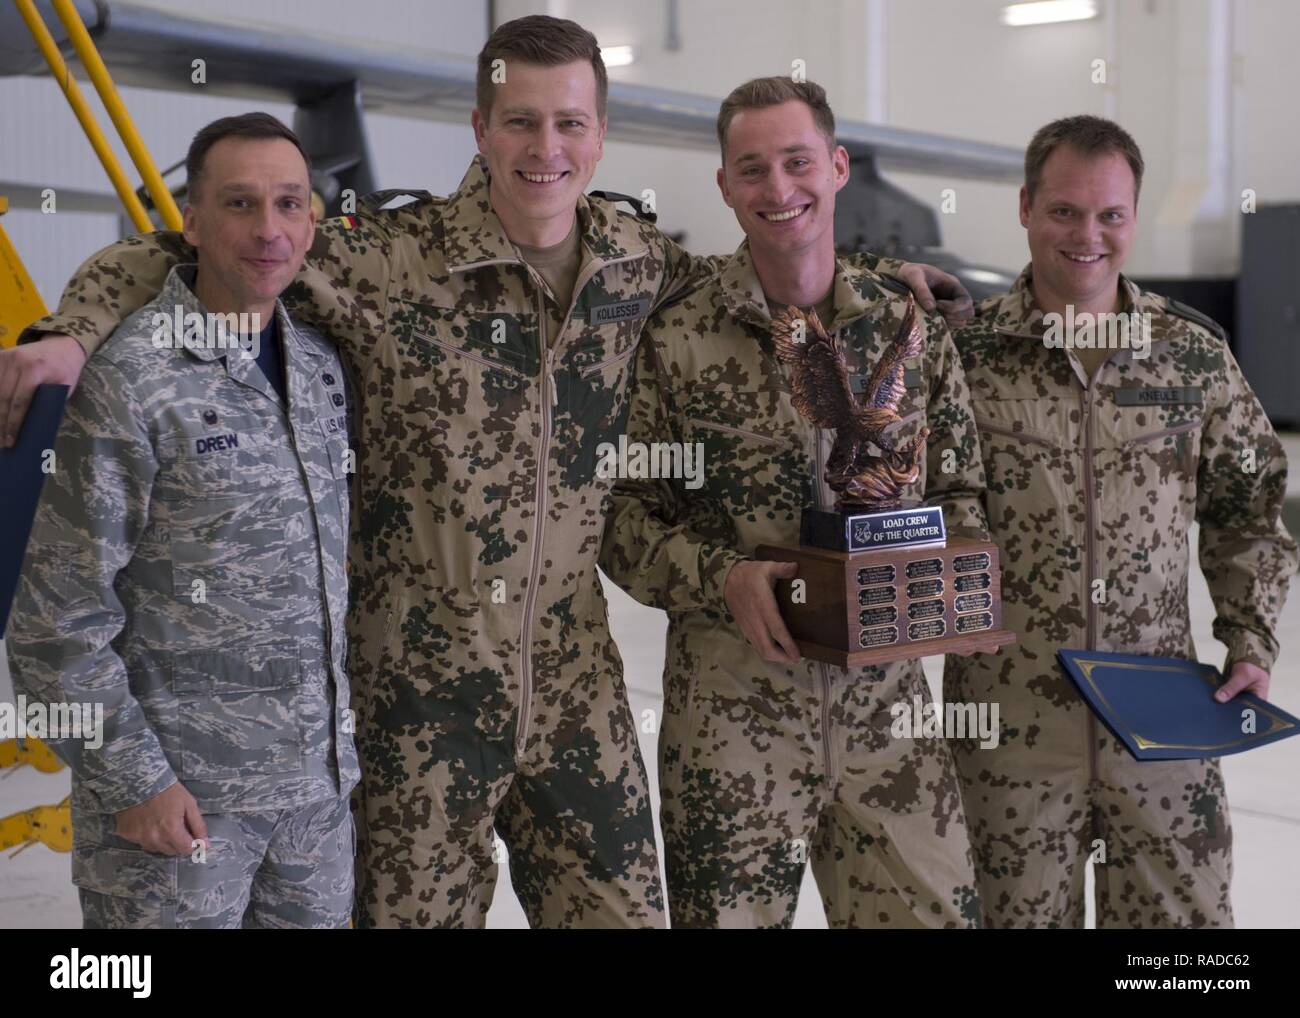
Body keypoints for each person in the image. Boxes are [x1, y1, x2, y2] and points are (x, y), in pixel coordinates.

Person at [0, 16, 969, 928]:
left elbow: (768, 260)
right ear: (480, 128)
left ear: (598, 136)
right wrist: (67, 334)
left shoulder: (639, 264)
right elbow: (187, 246)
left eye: (568, 123)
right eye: (519, 122)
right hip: (417, 695)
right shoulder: (387, 261)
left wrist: (886, 285)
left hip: (573, 685)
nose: (543, 147)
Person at [601, 77, 989, 928]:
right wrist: (720, 576)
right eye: (753, 169)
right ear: (725, 185)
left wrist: (940, 575)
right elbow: (622, 516)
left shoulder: (907, 328)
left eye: (797, 162)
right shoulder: (675, 336)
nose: (778, 190)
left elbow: (963, 493)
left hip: (889, 722)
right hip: (734, 720)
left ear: (838, 166)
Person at [945, 114, 1297, 928]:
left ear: (1134, 218)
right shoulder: (964, 359)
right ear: (1027, 207)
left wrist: (1250, 639)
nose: (1088, 236)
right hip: (1008, 735)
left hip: (1163, 727)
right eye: (1065, 211)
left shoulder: (1192, 356)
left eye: (1111, 215)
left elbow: (1247, 511)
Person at [6, 113, 358, 928]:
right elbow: (55, 622)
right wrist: (134, 782)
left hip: (314, 809)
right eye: (239, 204)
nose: (268, 230)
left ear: (313, 221)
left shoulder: (321, 370)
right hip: (178, 812)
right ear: (190, 222)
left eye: (289, 204)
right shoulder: (131, 380)